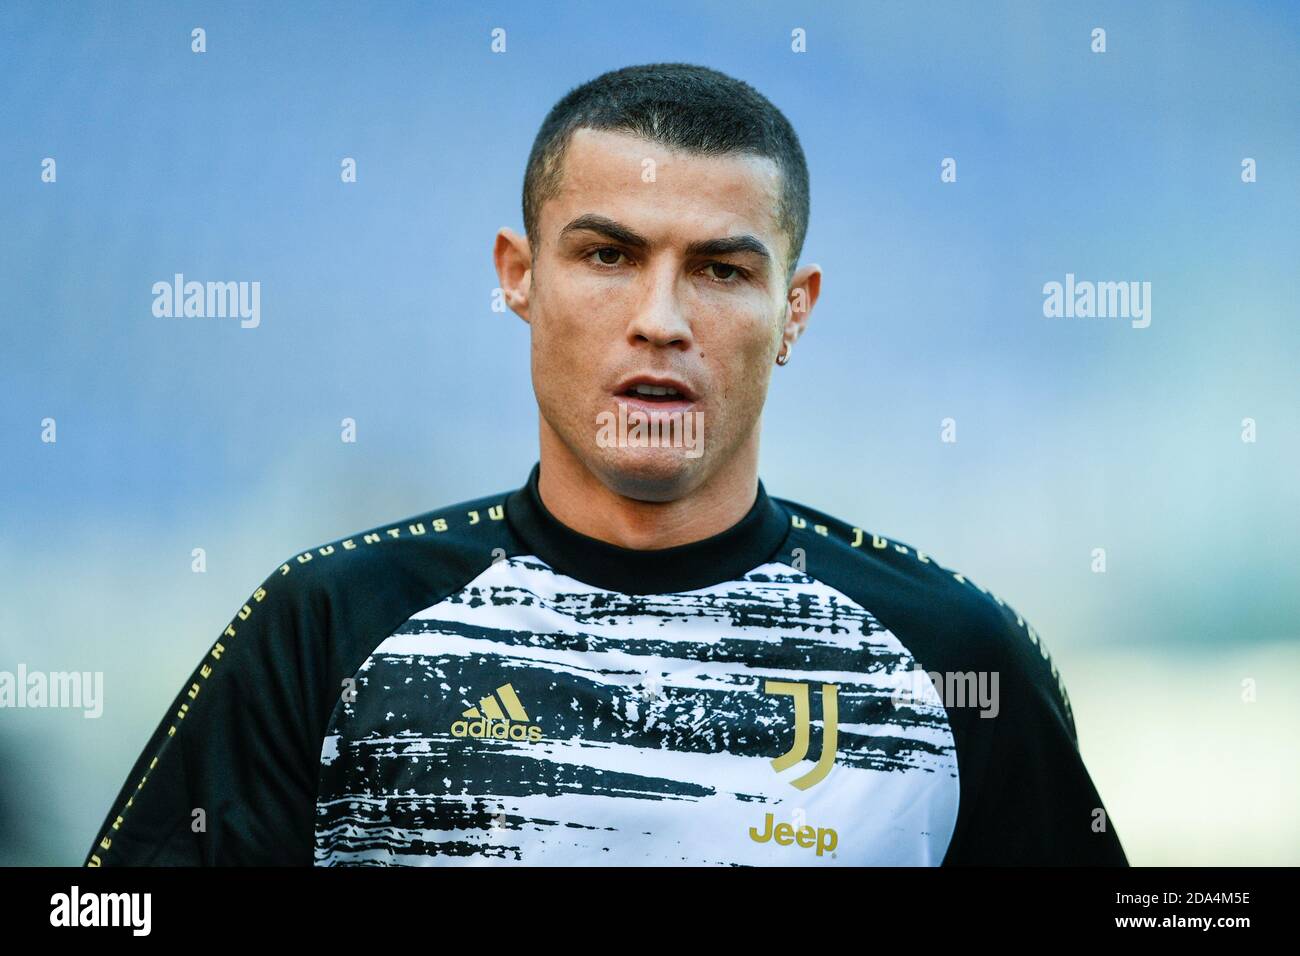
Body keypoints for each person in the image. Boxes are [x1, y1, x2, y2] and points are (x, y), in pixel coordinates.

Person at [85, 62, 1127, 866]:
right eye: (607, 255)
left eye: (720, 269)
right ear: (519, 275)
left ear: (793, 311)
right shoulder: (329, 624)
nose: (660, 320)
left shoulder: (946, 655)